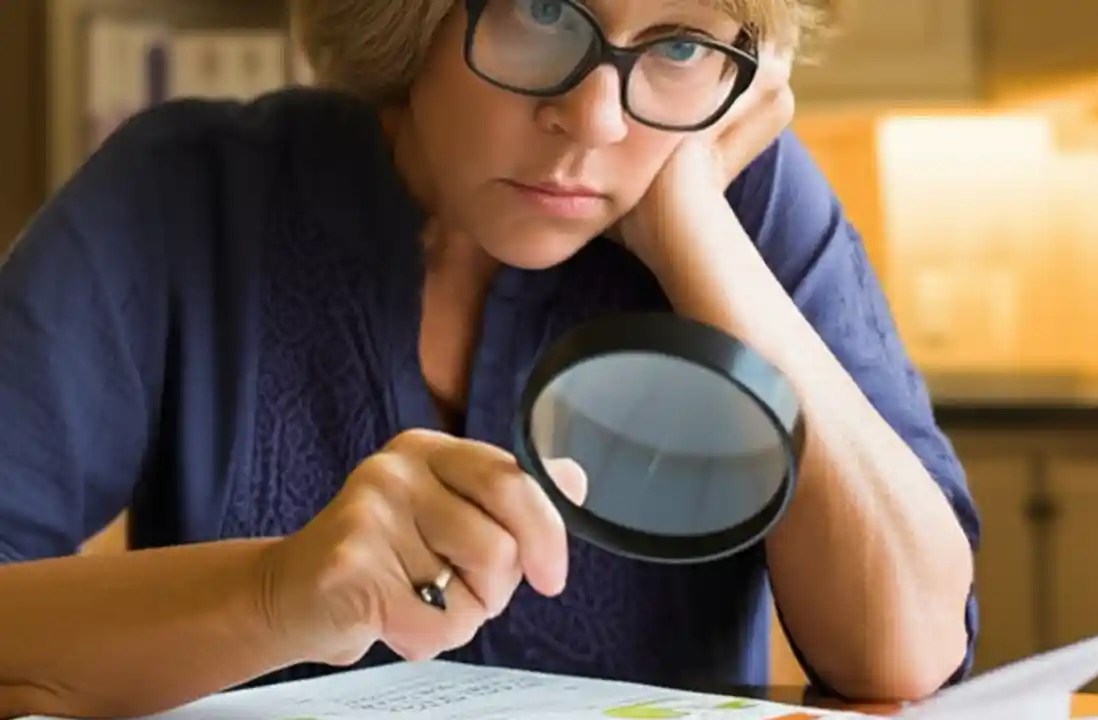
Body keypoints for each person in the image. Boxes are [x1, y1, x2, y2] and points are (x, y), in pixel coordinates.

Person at [0, 0, 981, 717]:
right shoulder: (183, 195)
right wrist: (277, 594)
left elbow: (904, 655)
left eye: (680, 44)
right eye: (542, 12)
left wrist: (691, 225)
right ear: (410, 16)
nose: (595, 120)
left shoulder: (746, 203)